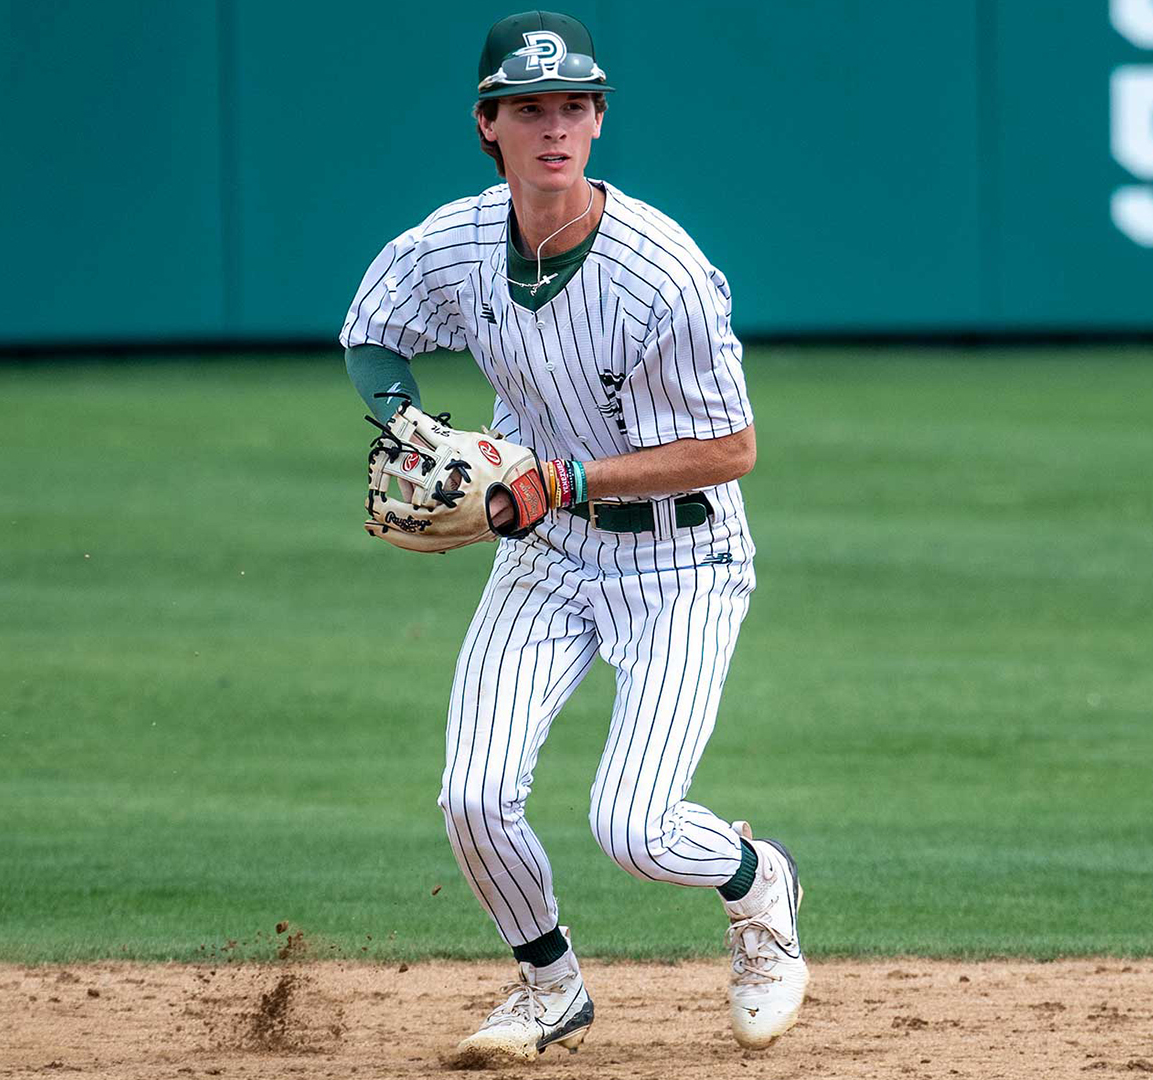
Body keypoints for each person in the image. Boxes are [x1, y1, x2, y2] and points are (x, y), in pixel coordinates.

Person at [340, 10, 807, 1063]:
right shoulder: (455, 243)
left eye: (573, 107)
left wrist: (559, 478)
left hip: (682, 559)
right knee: (472, 794)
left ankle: (757, 884)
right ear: (487, 126)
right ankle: (549, 987)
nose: (554, 126)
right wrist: (410, 425)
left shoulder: (663, 273)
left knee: (636, 828)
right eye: (529, 108)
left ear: (597, 121)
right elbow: (374, 328)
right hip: (547, 554)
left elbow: (730, 448)